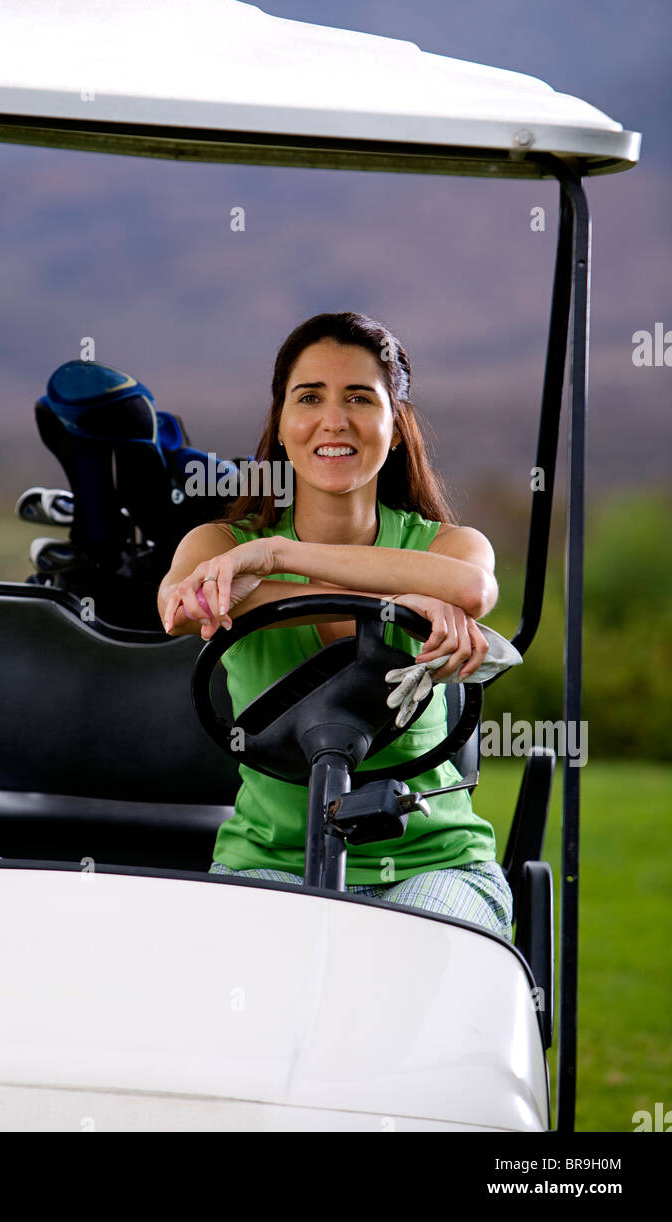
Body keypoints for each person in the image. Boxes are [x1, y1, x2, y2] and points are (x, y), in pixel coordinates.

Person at [157, 311, 513, 940]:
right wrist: (402, 599)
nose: (334, 420)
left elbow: (470, 589)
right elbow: (182, 608)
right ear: (282, 424)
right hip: (271, 863)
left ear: (396, 427)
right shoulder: (215, 542)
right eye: (310, 397)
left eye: (358, 398)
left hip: (431, 861)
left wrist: (277, 560)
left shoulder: (450, 546)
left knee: (413, 966)